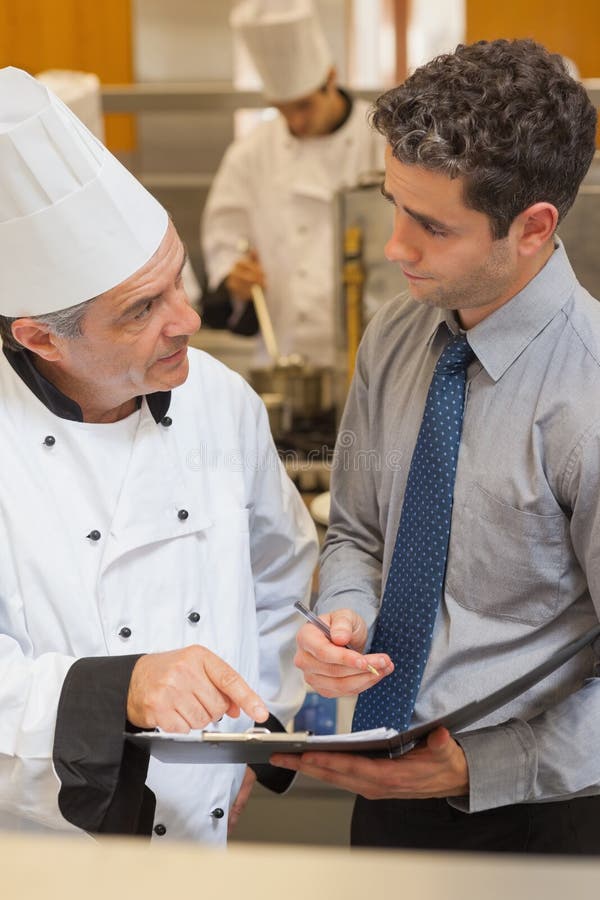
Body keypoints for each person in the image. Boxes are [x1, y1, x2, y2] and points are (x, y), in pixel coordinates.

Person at [272, 39, 600, 855]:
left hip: (546, 812)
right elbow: (357, 532)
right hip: (384, 788)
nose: (394, 246)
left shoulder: (588, 397)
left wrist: (479, 766)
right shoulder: (394, 336)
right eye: (393, 204)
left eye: (431, 225)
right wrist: (345, 616)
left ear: (532, 228)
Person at [0, 66, 318, 843]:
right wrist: (120, 689)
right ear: (41, 336)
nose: (186, 321)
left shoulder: (220, 400)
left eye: (177, 280)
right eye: (142, 309)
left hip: (203, 845)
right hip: (33, 850)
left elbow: (282, 578)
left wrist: (252, 734)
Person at [201, 0, 383, 365]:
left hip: (373, 348)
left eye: (303, 107)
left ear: (330, 78)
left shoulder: (381, 139)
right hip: (281, 353)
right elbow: (224, 241)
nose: (295, 122)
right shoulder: (250, 154)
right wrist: (234, 277)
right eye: (283, 110)